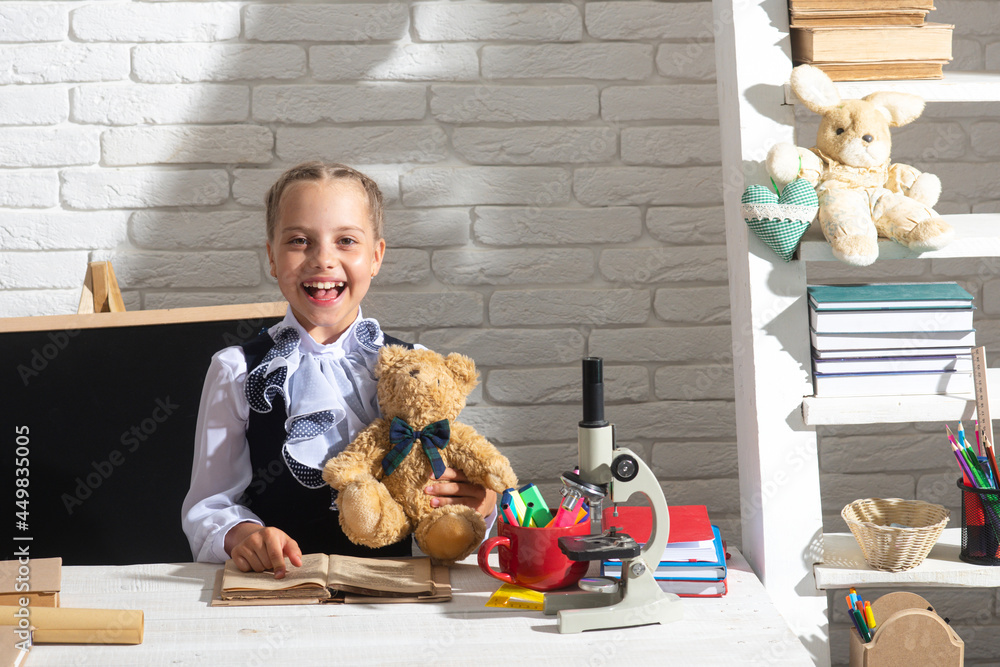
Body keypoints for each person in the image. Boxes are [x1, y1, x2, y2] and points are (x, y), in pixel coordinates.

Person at [182, 162, 496, 578]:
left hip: (393, 595)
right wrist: (240, 534)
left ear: (376, 257)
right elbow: (208, 505)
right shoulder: (237, 370)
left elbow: (449, 486)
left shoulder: (418, 367)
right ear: (272, 257)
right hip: (280, 593)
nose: (323, 259)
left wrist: (481, 505)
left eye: (346, 240)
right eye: (299, 241)